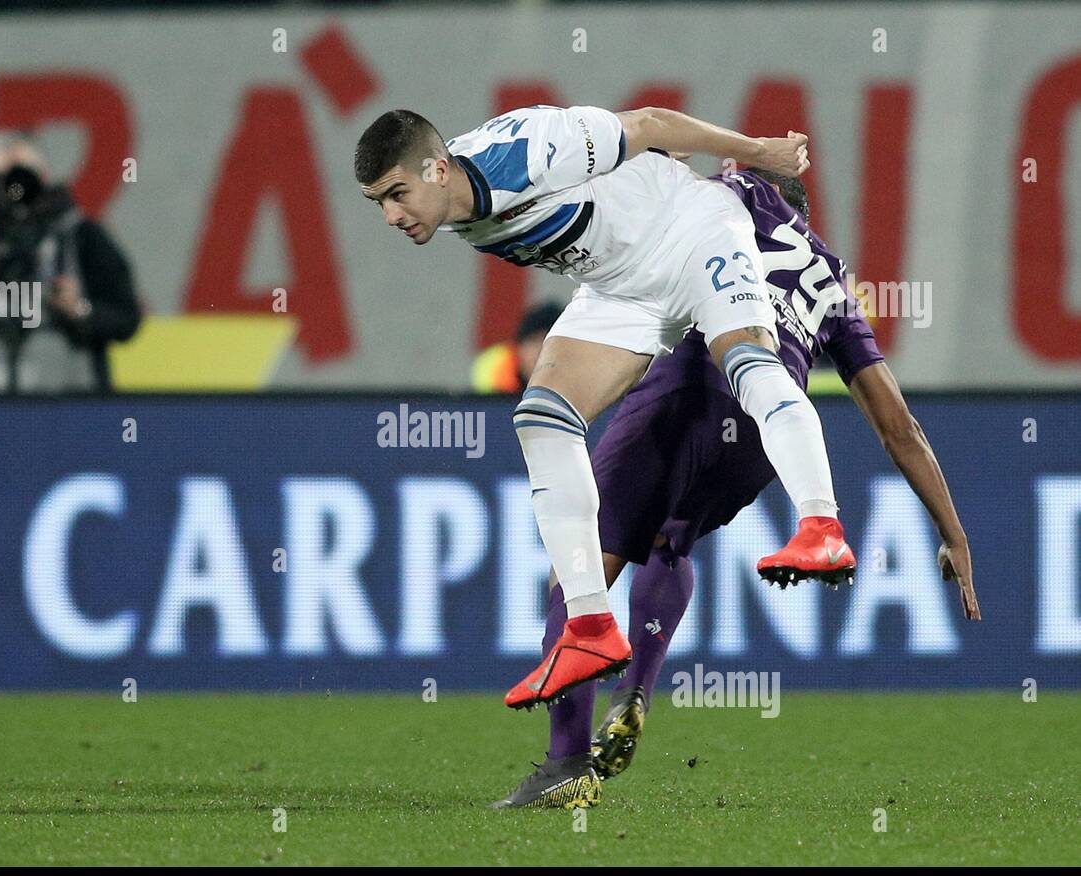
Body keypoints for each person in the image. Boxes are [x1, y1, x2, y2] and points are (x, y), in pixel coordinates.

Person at [489, 169, 982, 809]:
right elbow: (900, 428)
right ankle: (636, 687)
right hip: (763, 432)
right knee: (672, 540)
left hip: (685, 389)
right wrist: (955, 533)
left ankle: (566, 767)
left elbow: (659, 172)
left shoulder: (732, 196)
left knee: (578, 571)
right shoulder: (832, 285)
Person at [355, 105, 852, 711]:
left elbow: (647, 123)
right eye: (378, 202)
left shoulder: (527, 151)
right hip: (622, 289)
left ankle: (821, 526)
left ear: (437, 169)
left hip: (693, 235)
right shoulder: (452, 199)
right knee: (541, 419)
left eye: (397, 194)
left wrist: (758, 150)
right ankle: (589, 627)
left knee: (745, 361)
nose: (390, 215)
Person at [0, 133, 142, 394]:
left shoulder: (81, 236)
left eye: (21, 179)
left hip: (75, 406)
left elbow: (127, 319)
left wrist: (80, 309)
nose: (12, 192)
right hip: (1, 411)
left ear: (42, 179)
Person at [471, 301, 563, 393]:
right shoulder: (490, 398)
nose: (540, 350)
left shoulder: (576, 399)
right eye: (532, 341)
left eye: (548, 340)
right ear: (518, 349)